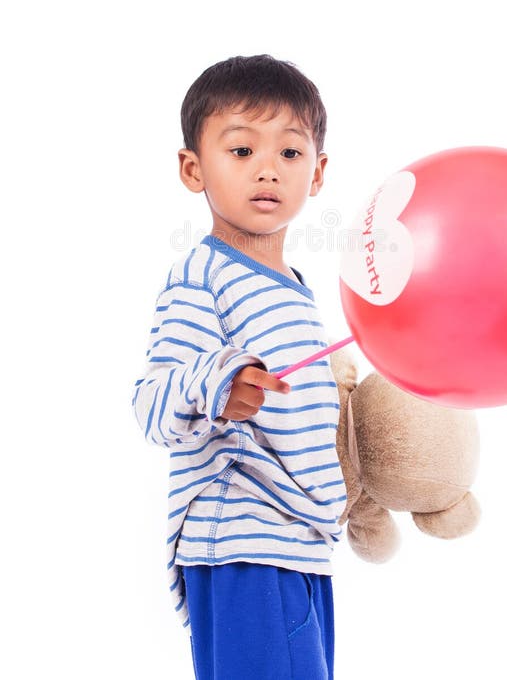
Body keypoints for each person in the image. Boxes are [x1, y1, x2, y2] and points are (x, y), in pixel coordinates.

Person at [132, 54, 347, 679]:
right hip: (242, 539)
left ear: (318, 171)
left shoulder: (296, 288)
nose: (267, 171)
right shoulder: (204, 276)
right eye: (241, 150)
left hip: (301, 542)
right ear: (192, 168)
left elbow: (305, 417)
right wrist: (218, 384)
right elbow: (152, 402)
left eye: (289, 153)